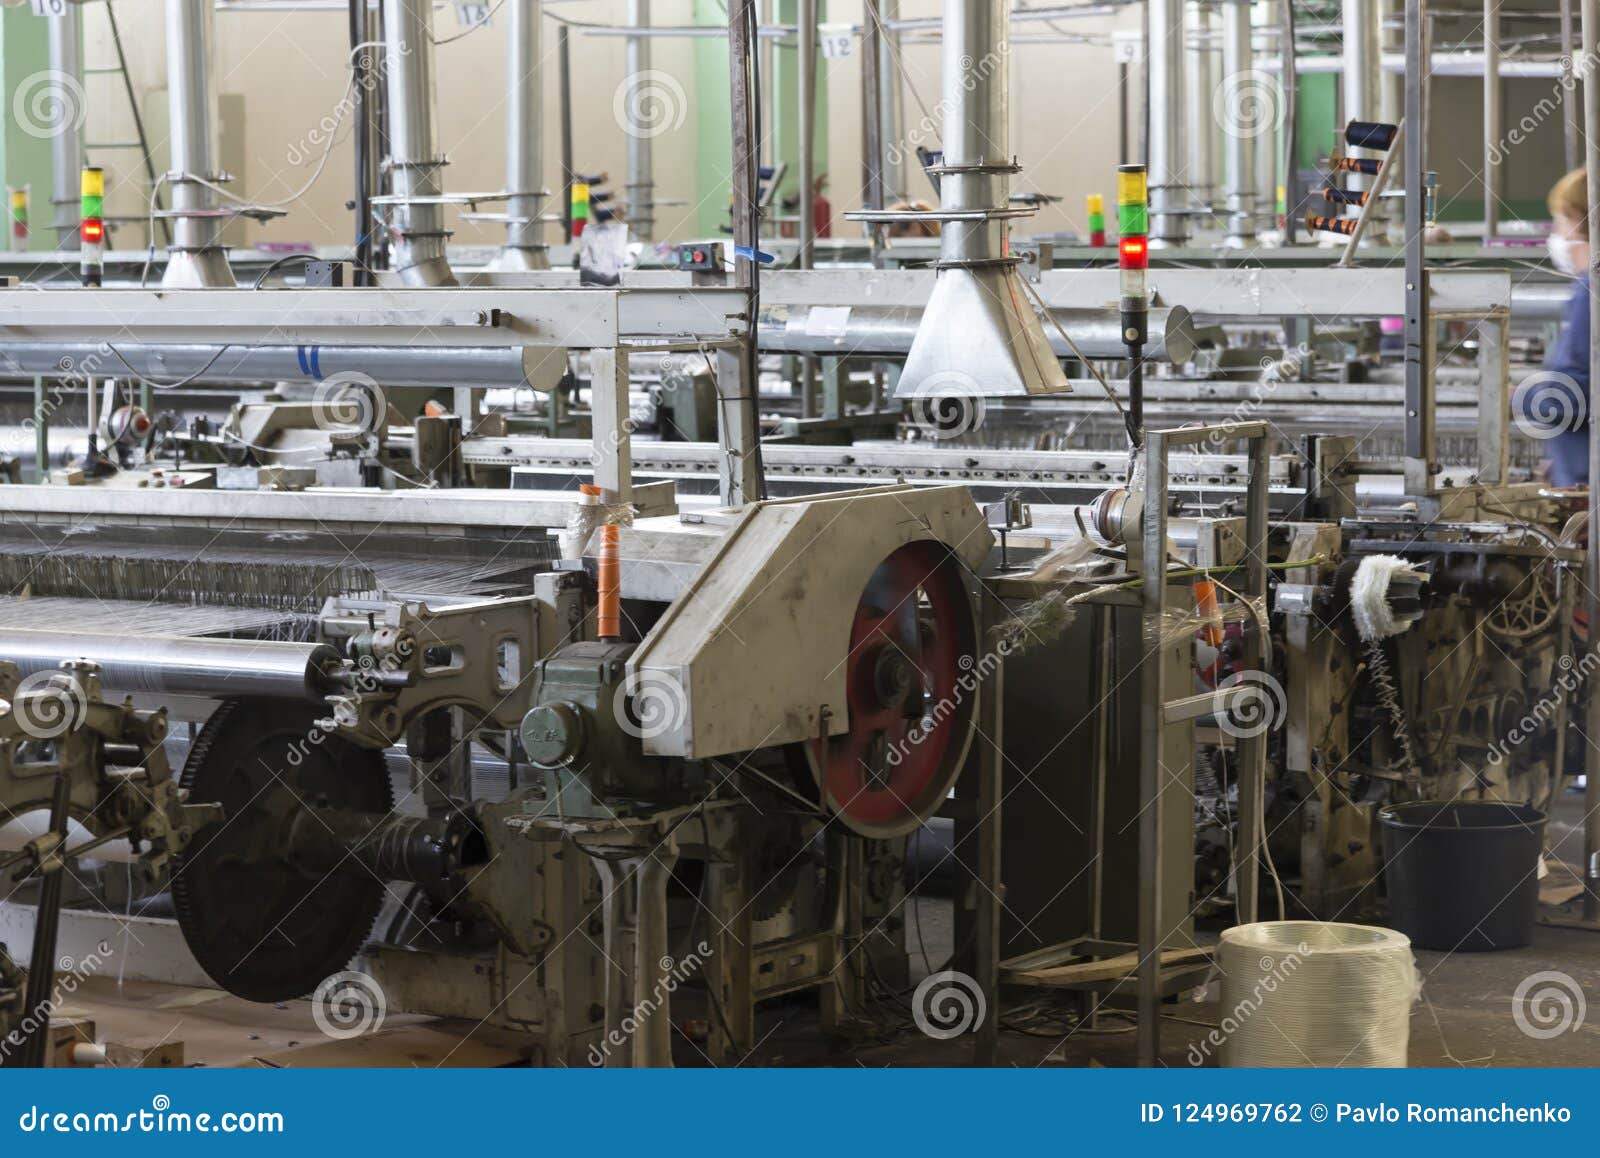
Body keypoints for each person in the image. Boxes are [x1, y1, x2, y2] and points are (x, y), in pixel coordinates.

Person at [1516, 167, 1592, 486]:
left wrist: (1518, 395)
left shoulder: (1591, 292)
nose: (1557, 233)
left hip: (1588, 484)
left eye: (1561, 220)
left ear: (1581, 221)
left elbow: (1572, 396)